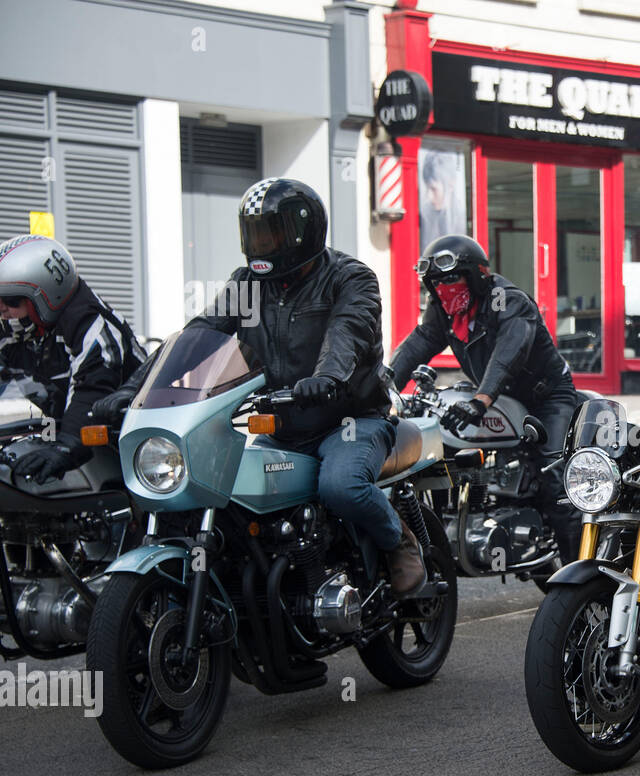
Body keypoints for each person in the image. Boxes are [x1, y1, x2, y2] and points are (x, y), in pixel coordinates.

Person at [95, 178, 426, 595]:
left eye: (271, 232)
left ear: (302, 232)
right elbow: (199, 334)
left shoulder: (349, 278)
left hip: (349, 418)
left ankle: (398, 540)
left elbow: (349, 331)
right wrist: (136, 390)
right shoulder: (247, 284)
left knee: (340, 486)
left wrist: (327, 378)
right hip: (278, 421)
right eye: (253, 233)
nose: (260, 244)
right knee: (223, 488)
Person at [389, 234, 582, 563]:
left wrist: (480, 400)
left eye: (451, 279)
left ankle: (581, 579)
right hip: (495, 397)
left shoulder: (508, 301)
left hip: (545, 397)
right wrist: (383, 384)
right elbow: (417, 344)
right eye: (436, 282)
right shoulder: (444, 311)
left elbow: (509, 354)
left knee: (556, 477)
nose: (444, 288)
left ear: (476, 275)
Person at [0, 234, 144, 483]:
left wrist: (66, 446)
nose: (2, 308)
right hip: (72, 432)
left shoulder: (92, 326)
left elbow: (92, 388)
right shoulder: (17, 327)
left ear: (46, 296)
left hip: (135, 443)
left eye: (11, 300)